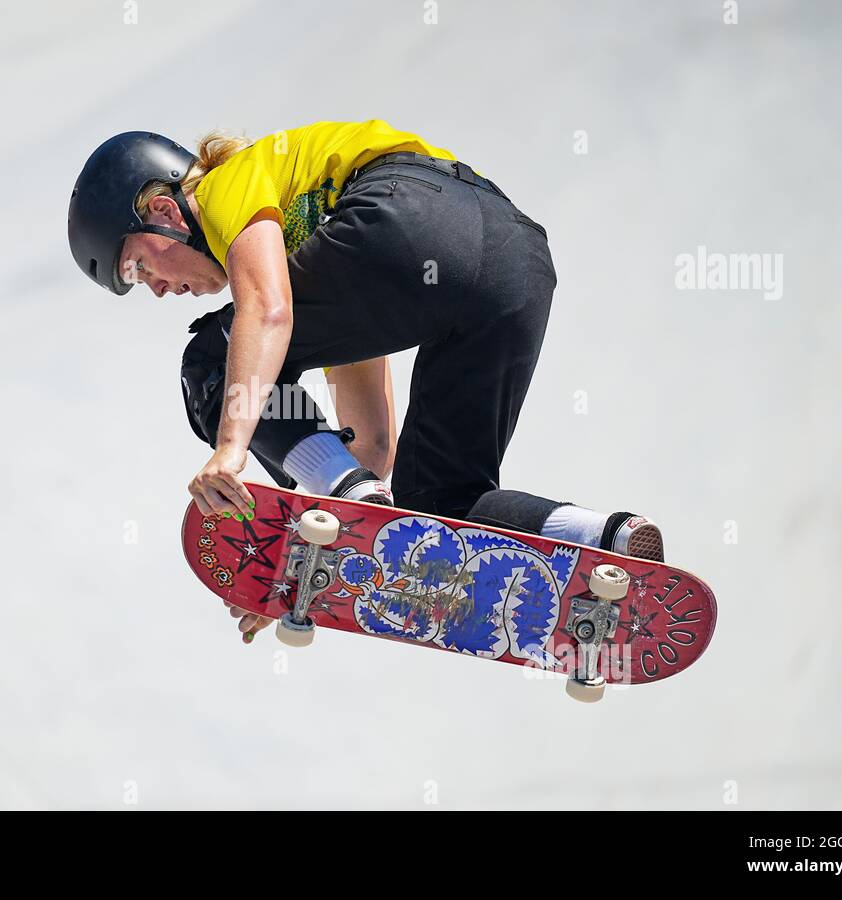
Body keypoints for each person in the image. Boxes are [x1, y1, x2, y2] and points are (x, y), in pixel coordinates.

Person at [68, 121, 664, 642]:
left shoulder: (227, 187)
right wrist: (295, 559)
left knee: (214, 358)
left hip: (413, 212)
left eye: (137, 264)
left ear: (165, 211)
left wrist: (230, 449)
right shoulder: (331, 265)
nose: (154, 287)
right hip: (517, 267)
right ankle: (610, 541)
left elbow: (267, 312)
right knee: (439, 508)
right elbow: (368, 450)